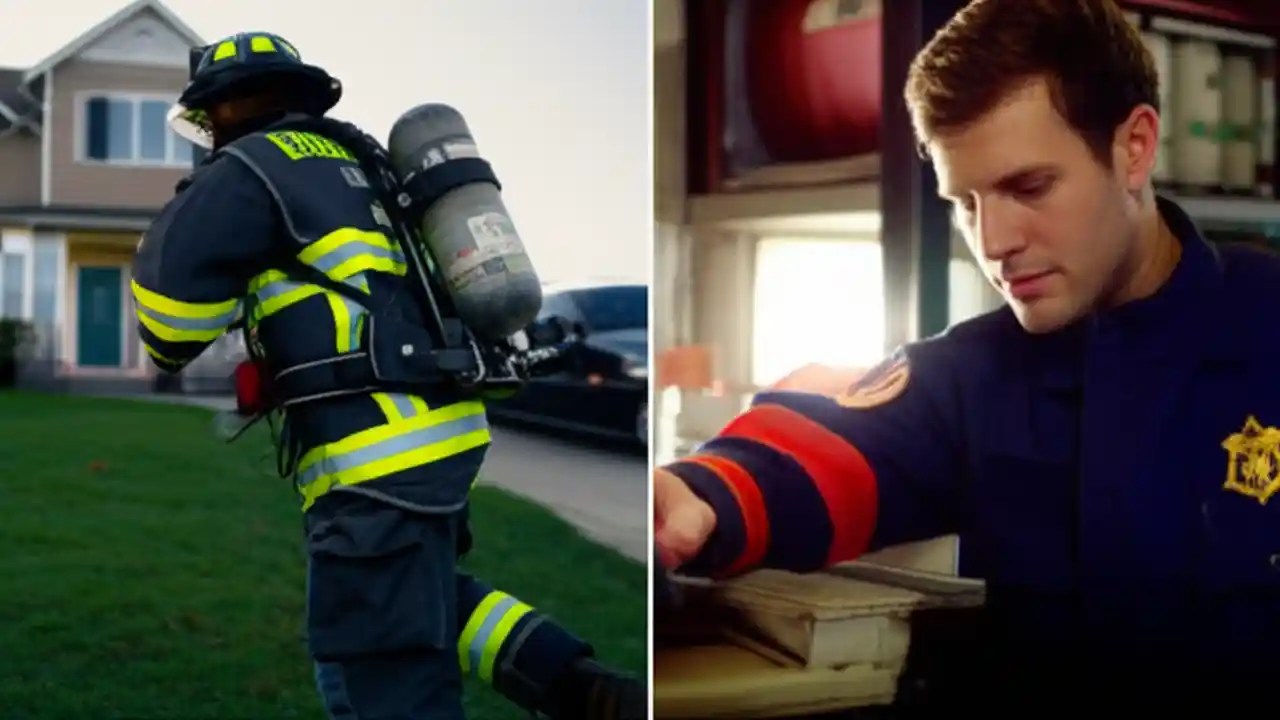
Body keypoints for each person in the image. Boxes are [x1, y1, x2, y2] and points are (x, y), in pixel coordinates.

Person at [654, 0, 1280, 712]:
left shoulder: (1268, 324)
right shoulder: (971, 378)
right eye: (965, 202)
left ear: (1133, 148)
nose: (992, 242)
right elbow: (828, 451)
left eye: (1029, 186)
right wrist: (697, 496)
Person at [132, 31, 643, 720]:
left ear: (218, 111)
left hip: (373, 454)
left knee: (372, 663)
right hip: (440, 434)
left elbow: (169, 332)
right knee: (419, 592)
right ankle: (578, 684)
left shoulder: (248, 169)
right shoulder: (362, 159)